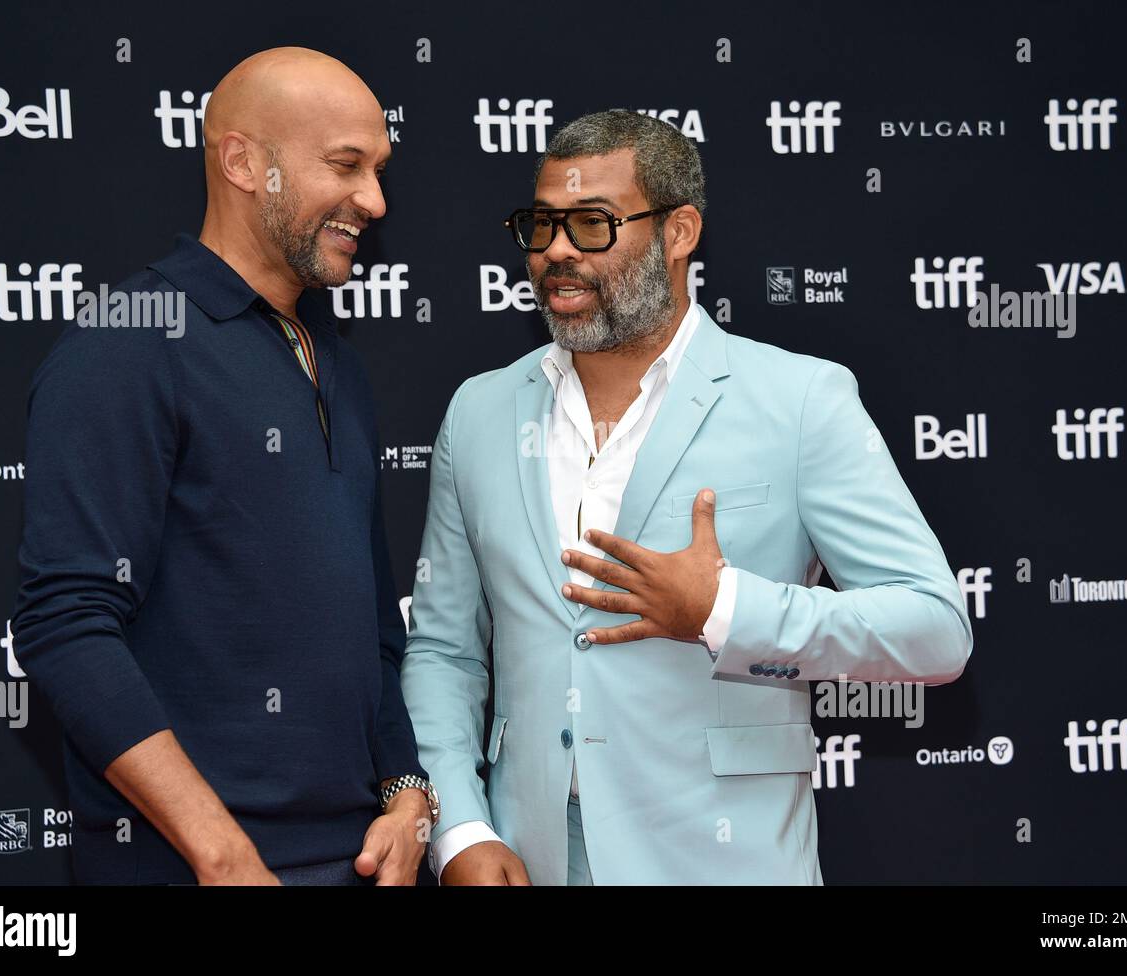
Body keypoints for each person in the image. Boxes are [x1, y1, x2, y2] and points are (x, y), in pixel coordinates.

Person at [400, 109, 972, 885]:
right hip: (529, 860)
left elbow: (934, 631)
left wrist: (725, 609)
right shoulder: (480, 411)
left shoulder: (801, 399)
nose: (557, 253)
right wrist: (463, 830)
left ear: (680, 232)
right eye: (542, 226)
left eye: (593, 224)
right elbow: (444, 651)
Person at [11, 47, 436, 885]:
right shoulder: (128, 344)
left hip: (357, 859)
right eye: (345, 166)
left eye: (379, 170)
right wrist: (220, 851)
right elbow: (66, 626)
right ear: (243, 162)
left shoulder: (336, 362)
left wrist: (408, 791)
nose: (374, 201)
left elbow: (373, 633)